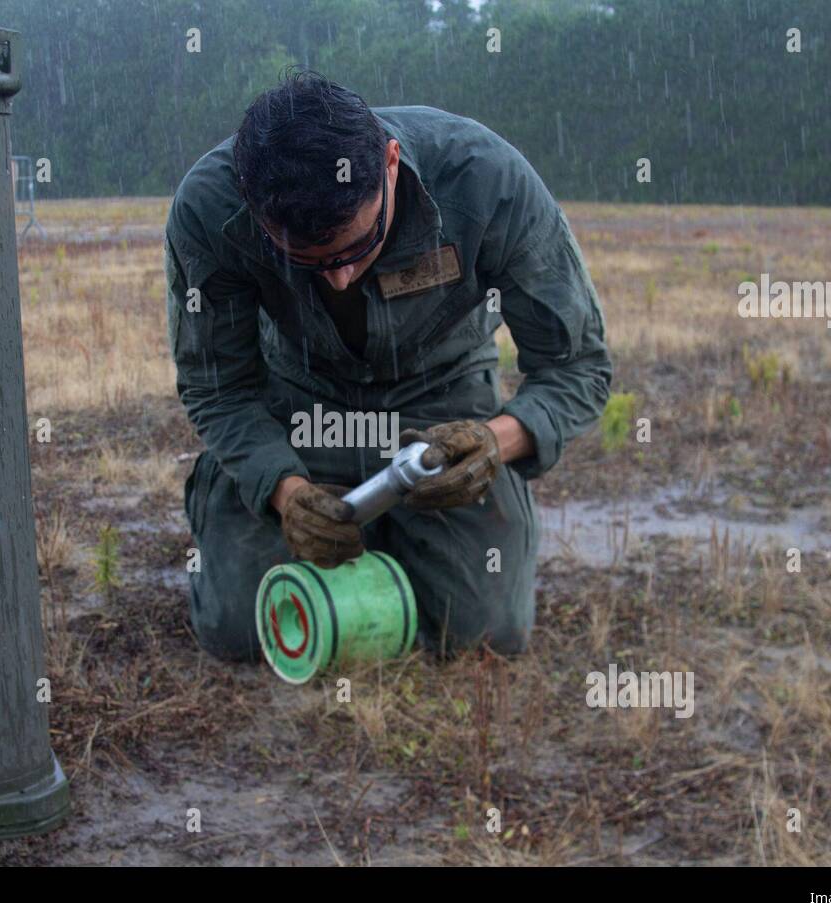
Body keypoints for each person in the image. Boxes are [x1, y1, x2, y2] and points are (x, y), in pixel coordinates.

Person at [165, 69, 611, 661]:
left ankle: (411, 537)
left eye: (356, 246)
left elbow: (577, 366)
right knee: (243, 635)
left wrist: (492, 443)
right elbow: (218, 390)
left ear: (391, 162)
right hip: (299, 408)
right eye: (308, 261)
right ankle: (300, 519)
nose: (340, 277)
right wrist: (285, 491)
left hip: (442, 412)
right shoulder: (208, 207)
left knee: (483, 635)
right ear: (251, 206)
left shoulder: (486, 181)